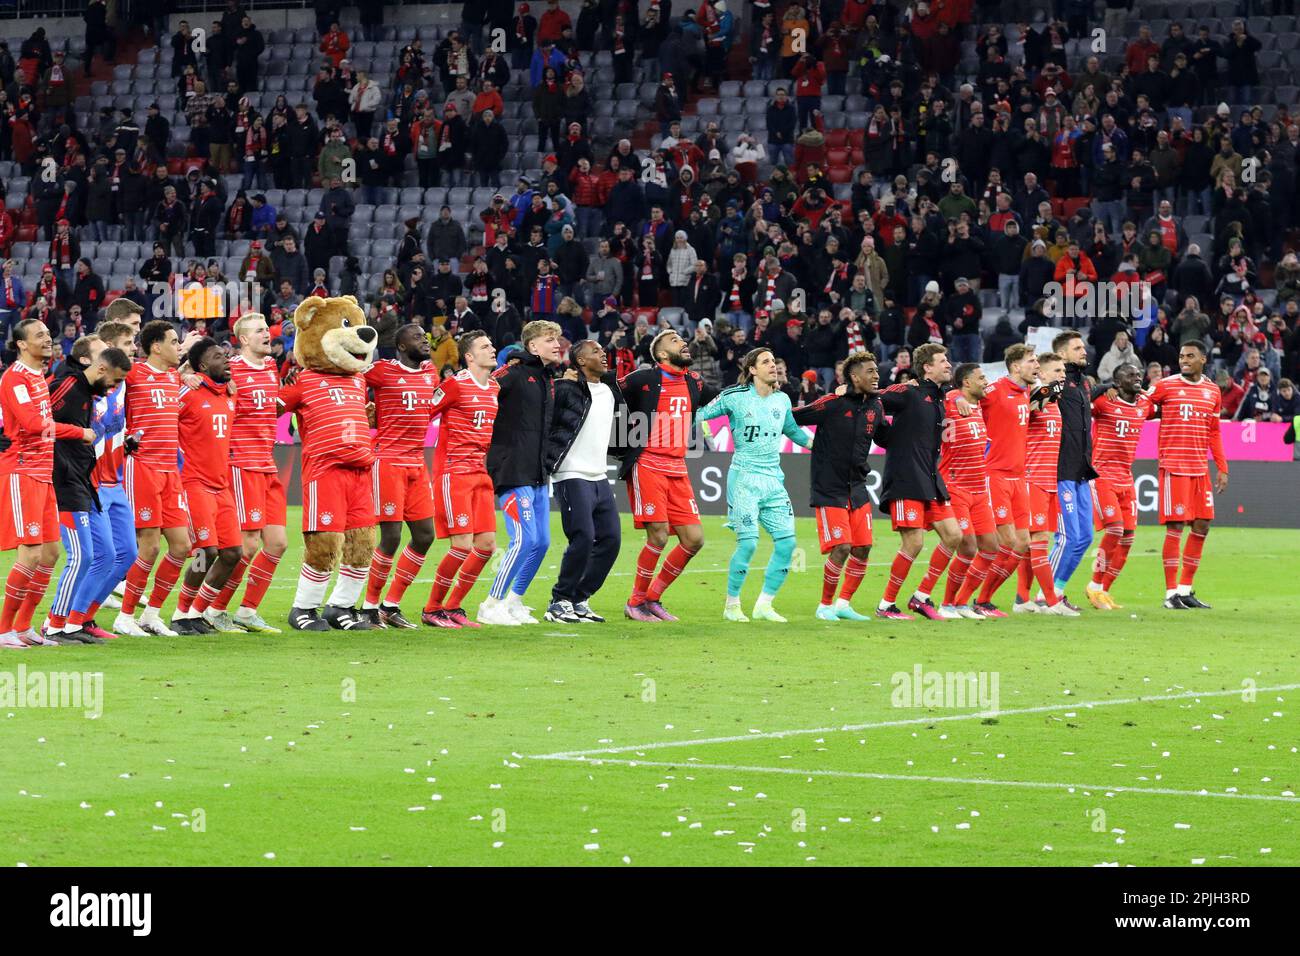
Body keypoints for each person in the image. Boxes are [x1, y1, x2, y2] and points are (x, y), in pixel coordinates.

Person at [696, 348, 812, 623]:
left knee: (787, 543)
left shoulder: (783, 399)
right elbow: (701, 413)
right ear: (752, 370)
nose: (773, 366)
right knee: (748, 544)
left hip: (773, 480)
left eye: (774, 361)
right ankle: (732, 605)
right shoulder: (734, 397)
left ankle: (764, 605)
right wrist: (703, 429)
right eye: (766, 362)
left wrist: (817, 446)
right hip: (744, 479)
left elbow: (792, 430)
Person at [0, 320, 97, 647]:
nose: (47, 339)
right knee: (29, 554)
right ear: (22, 344)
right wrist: (77, 431)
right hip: (22, 470)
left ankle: (25, 626)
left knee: (51, 553)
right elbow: (30, 424)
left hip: (43, 474)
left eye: (46, 333)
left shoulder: (39, 378)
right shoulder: (14, 377)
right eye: (39, 335)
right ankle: (3, 630)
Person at [618, 329, 720, 622]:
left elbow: (724, 397)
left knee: (694, 539)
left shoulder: (694, 381)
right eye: (675, 341)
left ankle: (652, 598)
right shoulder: (644, 378)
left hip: (678, 467)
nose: (684, 343)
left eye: (682, 340)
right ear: (662, 354)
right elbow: (609, 391)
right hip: (648, 464)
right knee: (659, 535)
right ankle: (635, 602)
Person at [198, 312, 286, 633]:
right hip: (240, 463)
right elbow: (198, 381)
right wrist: (188, 375)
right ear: (244, 339)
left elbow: (269, 406)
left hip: (267, 463)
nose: (267, 334)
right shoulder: (231, 369)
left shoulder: (272, 368)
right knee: (246, 545)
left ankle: (247, 611)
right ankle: (212, 609)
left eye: (268, 329)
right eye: (259, 331)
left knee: (276, 544)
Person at [41, 335, 132, 644]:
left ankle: (74, 622)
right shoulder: (66, 385)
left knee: (107, 554)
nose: (113, 388)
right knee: (81, 556)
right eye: (113, 380)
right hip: (65, 481)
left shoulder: (89, 394)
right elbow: (37, 424)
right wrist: (77, 433)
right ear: (96, 364)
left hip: (84, 480)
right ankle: (54, 623)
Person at [791, 350, 889, 622]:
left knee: (863, 548)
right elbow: (794, 416)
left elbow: (884, 438)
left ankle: (843, 604)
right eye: (870, 371)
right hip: (829, 488)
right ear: (854, 377)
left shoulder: (875, 407)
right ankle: (824, 605)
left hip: (857, 488)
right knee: (842, 546)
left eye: (876, 370)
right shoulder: (832, 404)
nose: (876, 375)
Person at [58, 319, 141, 641]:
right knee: (97, 554)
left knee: (127, 554)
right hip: (87, 480)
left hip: (114, 479)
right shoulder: (82, 386)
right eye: (127, 342)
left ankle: (84, 617)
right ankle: (65, 620)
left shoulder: (123, 383)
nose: (133, 348)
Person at [873, 343, 965, 621]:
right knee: (913, 543)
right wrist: (884, 434)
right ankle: (886, 604)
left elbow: (960, 390)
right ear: (927, 367)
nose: (949, 364)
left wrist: (956, 394)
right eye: (943, 361)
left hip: (930, 477)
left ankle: (921, 597)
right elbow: (873, 399)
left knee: (954, 536)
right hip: (905, 478)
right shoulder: (908, 392)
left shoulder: (939, 396)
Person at [480, 320, 563, 625]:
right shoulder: (512, 374)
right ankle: (491, 604)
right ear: (532, 346)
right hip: (512, 469)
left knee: (540, 542)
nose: (557, 344)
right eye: (549, 339)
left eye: (557, 339)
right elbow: (482, 392)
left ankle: (514, 601)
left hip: (537, 472)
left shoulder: (545, 378)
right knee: (523, 540)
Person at [114, 321, 193, 637]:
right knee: (148, 546)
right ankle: (125, 615)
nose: (179, 346)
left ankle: (151, 614)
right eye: (174, 342)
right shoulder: (132, 375)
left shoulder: (175, 378)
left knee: (182, 545)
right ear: (156, 346)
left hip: (169, 471)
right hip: (142, 467)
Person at [359, 325, 440, 629]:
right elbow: (350, 378)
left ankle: (390, 606)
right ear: (401, 346)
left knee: (424, 535)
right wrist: (362, 411)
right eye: (418, 337)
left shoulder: (431, 373)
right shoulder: (380, 371)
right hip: (388, 461)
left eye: (425, 335)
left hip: (417, 463)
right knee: (391, 537)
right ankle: (369, 606)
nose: (425, 340)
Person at [420, 330, 501, 629]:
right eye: (485, 346)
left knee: (487, 545)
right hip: (454, 472)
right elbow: (424, 413)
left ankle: (453, 607)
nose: (492, 349)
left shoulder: (493, 388)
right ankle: (432, 609)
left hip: (480, 471)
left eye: (491, 344)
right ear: (469, 356)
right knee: (462, 545)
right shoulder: (454, 385)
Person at [169, 338, 246, 634]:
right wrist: (178, 376)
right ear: (202, 366)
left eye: (226, 355)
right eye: (218, 357)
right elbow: (159, 396)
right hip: (195, 483)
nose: (226, 360)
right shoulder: (188, 392)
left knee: (233, 554)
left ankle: (197, 612)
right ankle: (179, 614)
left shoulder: (228, 393)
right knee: (207, 551)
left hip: (221, 485)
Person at [543, 339, 623, 624]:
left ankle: (579, 597)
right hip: (570, 473)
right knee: (583, 537)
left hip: (599, 474)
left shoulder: (611, 390)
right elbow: (544, 419)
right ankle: (559, 600)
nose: (603, 355)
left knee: (611, 540)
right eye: (596, 352)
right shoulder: (565, 388)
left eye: (603, 351)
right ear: (579, 361)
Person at [957, 344, 1039, 617]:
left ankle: (983, 600)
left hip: (1019, 478)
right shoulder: (994, 390)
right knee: (1007, 542)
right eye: (1032, 361)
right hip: (996, 477)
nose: (1036, 365)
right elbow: (966, 394)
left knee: (1023, 543)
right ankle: (962, 600)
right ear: (1016, 366)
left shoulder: (1027, 391)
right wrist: (956, 397)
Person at [1147, 341, 1228, 609]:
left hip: (1199, 469)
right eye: (1181, 356)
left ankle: (1184, 590)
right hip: (1174, 466)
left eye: (1190, 356)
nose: (1184, 360)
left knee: (1202, 524)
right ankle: (1170, 595)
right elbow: (1142, 408)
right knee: (1176, 527)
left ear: (1203, 359)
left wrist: (1222, 467)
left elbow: (1214, 432)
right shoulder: (1165, 386)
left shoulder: (1212, 391)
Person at [927, 363, 1000, 619]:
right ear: (966, 383)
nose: (985, 382)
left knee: (991, 547)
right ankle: (947, 604)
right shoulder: (950, 403)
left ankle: (962, 602)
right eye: (981, 378)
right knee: (967, 547)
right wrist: (954, 394)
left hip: (980, 489)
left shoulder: (982, 404)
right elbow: (940, 393)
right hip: (956, 487)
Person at [1012, 353, 1080, 616]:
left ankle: (1021, 598)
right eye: (1057, 371)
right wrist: (1056, 385)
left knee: (1034, 543)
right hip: (1032, 480)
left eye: (1064, 371)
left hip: (1049, 480)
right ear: (1041, 373)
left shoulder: (1054, 402)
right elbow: (1031, 403)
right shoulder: (1033, 398)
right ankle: (1051, 602)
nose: (1063, 375)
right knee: (1038, 540)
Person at [1086, 362, 1151, 610]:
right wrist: (1103, 388)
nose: (1137, 377)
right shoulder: (1104, 403)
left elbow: (1159, 406)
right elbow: (1082, 400)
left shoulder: (1145, 404)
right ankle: (1093, 585)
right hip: (1102, 476)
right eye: (1130, 374)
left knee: (1128, 538)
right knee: (1114, 530)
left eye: (1138, 374)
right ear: (1117, 381)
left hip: (1126, 478)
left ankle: (1104, 590)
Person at [1047, 330, 1097, 607]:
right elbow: (1032, 396)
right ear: (1063, 354)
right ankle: (1046, 594)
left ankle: (1057, 588)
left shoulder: (1084, 384)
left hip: (1082, 471)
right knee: (1067, 537)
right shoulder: (1056, 384)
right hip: (1061, 471)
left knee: (1085, 537)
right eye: (1077, 348)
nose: (1083, 351)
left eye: (1083, 347)